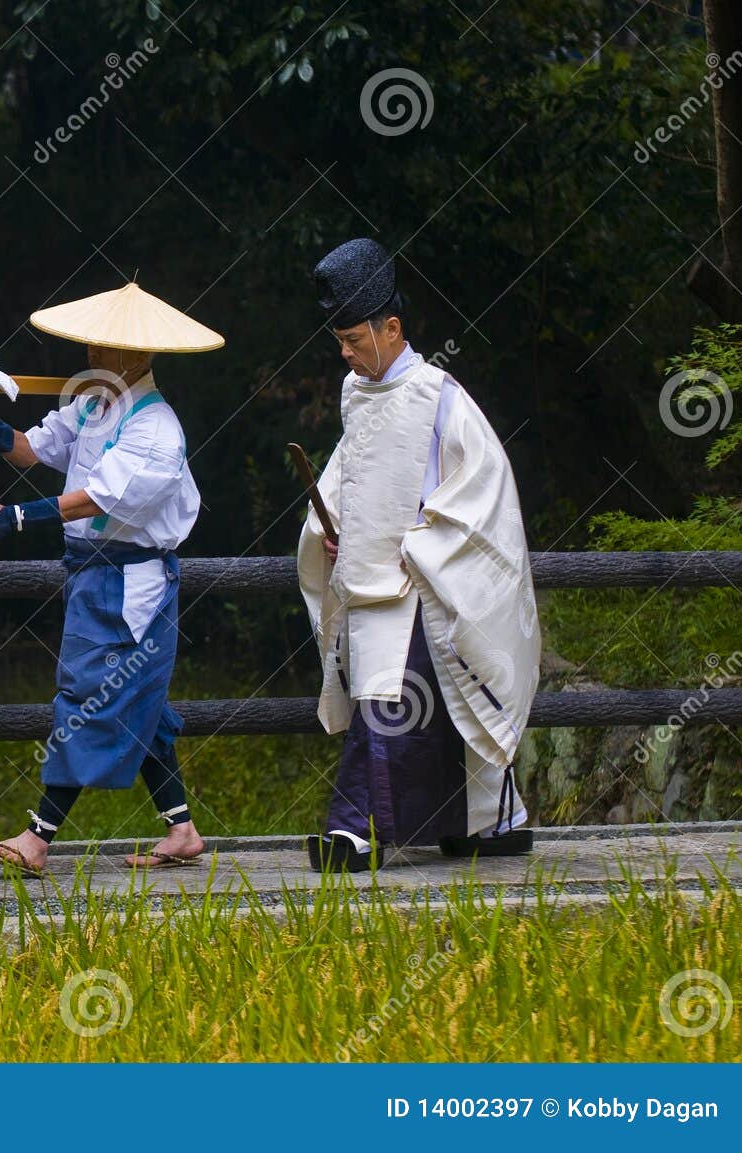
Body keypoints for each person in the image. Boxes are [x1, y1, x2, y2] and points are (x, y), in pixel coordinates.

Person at [0, 282, 224, 876]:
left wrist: (16, 517)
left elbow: (96, 500)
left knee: (89, 699)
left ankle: (37, 838)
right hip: (93, 576)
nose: (89, 357)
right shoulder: (94, 406)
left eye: (101, 349)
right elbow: (32, 452)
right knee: (140, 704)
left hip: (131, 585)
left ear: (133, 356)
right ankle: (181, 831)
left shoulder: (158, 430)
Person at [298, 238, 539, 872]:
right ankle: (491, 822)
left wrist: (422, 546)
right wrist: (335, 531)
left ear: (392, 328)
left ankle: (360, 830)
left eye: (353, 339)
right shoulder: (358, 394)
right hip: (372, 580)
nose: (344, 353)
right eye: (340, 341)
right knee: (411, 696)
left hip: (421, 580)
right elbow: (349, 479)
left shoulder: (442, 397)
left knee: (401, 692)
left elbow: (484, 493)